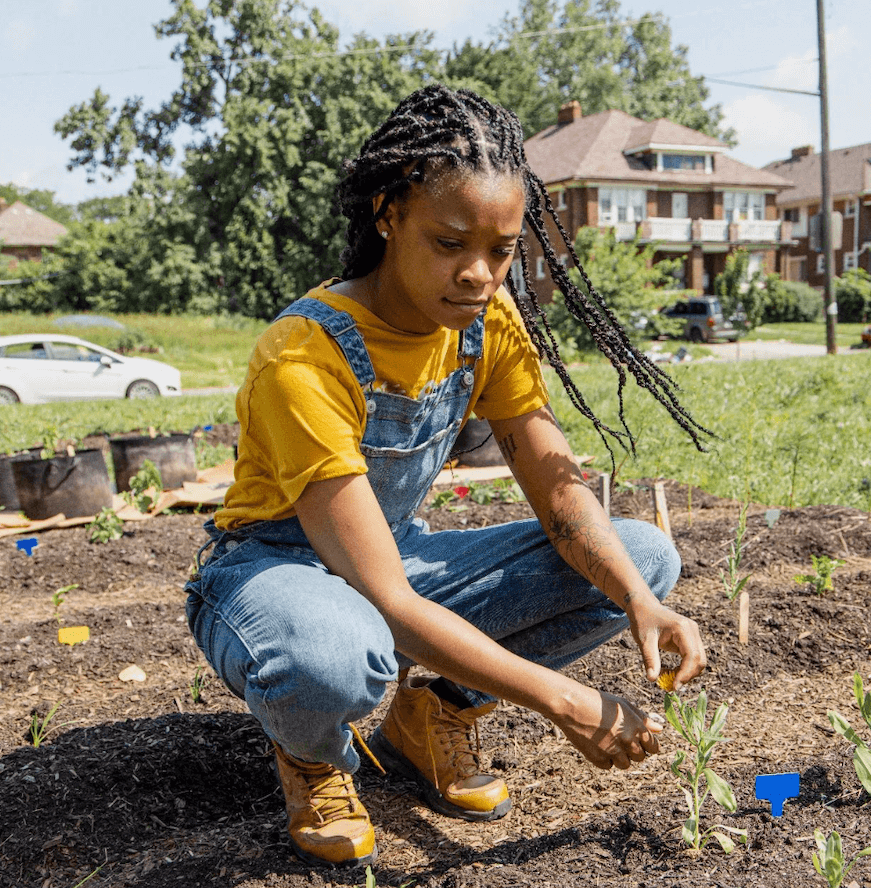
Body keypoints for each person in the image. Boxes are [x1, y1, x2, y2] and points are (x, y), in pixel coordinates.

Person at [185, 84, 710, 869]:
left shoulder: (489, 324)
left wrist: (638, 600)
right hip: (270, 575)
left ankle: (431, 719)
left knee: (643, 558)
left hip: (385, 555)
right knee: (335, 658)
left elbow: (561, 495)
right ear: (387, 214)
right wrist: (565, 701)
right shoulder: (303, 357)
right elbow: (389, 603)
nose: (478, 275)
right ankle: (313, 750)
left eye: (501, 251)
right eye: (449, 243)